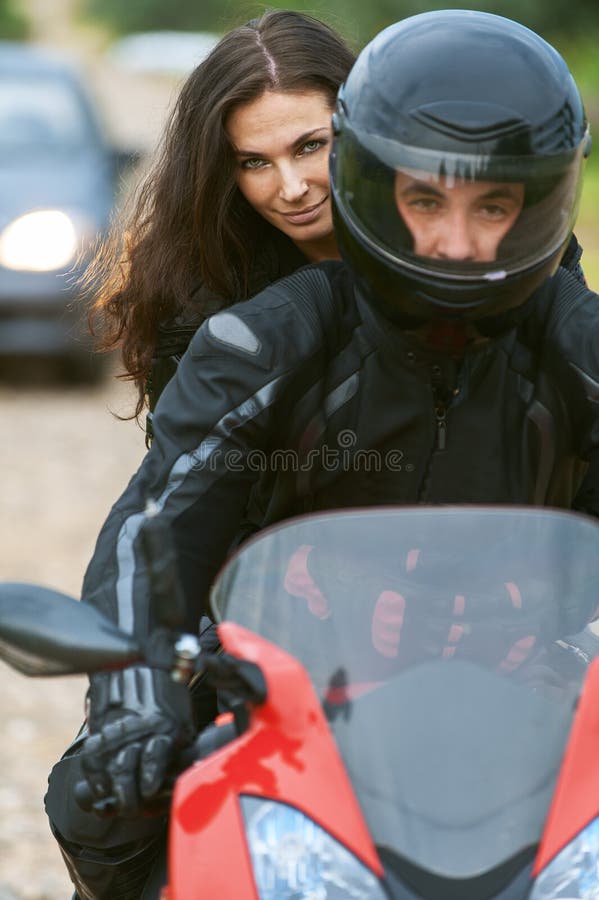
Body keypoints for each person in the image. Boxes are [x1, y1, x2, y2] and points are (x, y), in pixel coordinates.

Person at [47, 9, 599, 898]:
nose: (458, 244)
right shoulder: (251, 334)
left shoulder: (569, 329)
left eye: (493, 206)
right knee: (103, 795)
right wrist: (137, 698)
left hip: (520, 671)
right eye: (427, 203)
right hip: (291, 664)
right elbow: (159, 521)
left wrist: (569, 651)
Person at [85, 9, 355, 437]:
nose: (291, 187)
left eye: (310, 147)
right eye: (255, 162)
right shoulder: (200, 303)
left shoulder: (445, 246)